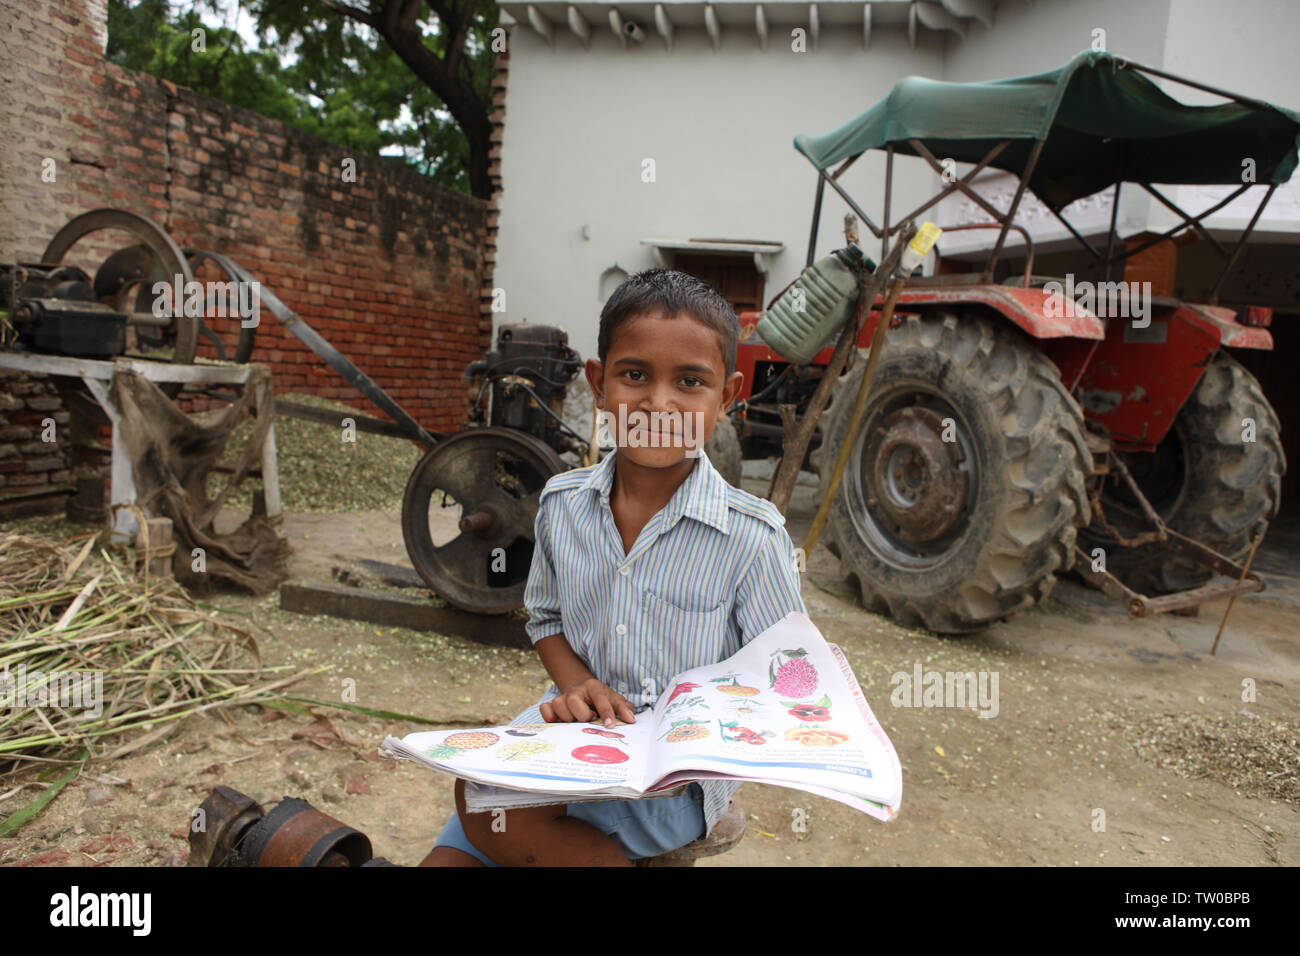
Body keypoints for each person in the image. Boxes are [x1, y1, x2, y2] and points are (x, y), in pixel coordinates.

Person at [419, 269, 807, 866]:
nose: (658, 402)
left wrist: (691, 723)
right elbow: (545, 618)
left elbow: (786, 680)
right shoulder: (562, 507)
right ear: (599, 385)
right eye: (634, 375)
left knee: (480, 806)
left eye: (690, 382)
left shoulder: (751, 539)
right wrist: (575, 683)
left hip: (679, 774)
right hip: (571, 737)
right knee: (457, 838)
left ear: (726, 397)